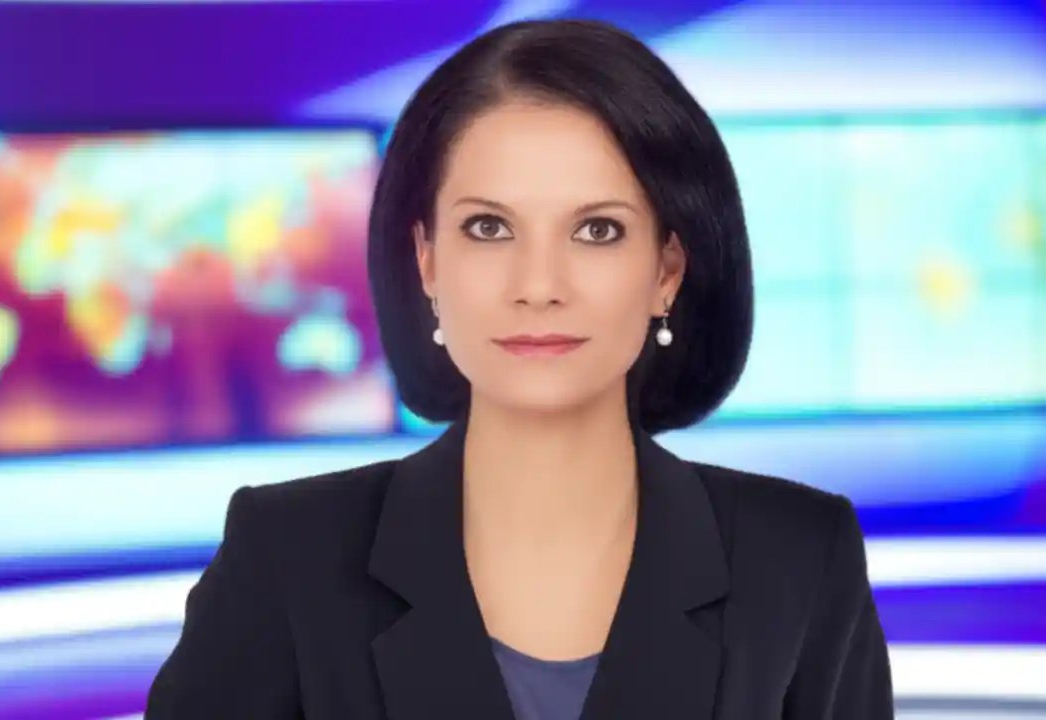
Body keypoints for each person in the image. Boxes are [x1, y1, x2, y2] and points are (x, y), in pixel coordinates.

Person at [146, 18, 894, 720]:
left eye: (597, 230)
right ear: (428, 261)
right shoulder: (288, 555)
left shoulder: (800, 557)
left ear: (667, 269)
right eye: (489, 228)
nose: (539, 284)